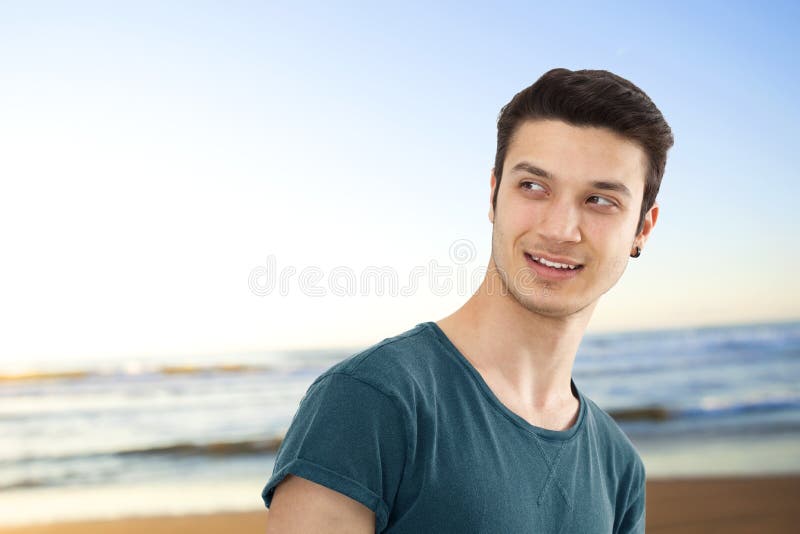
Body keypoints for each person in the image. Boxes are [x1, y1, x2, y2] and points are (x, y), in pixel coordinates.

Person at [261, 67, 673, 533]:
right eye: (534, 187)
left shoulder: (619, 469)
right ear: (494, 193)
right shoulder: (372, 402)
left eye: (600, 200)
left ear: (642, 228)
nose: (559, 229)